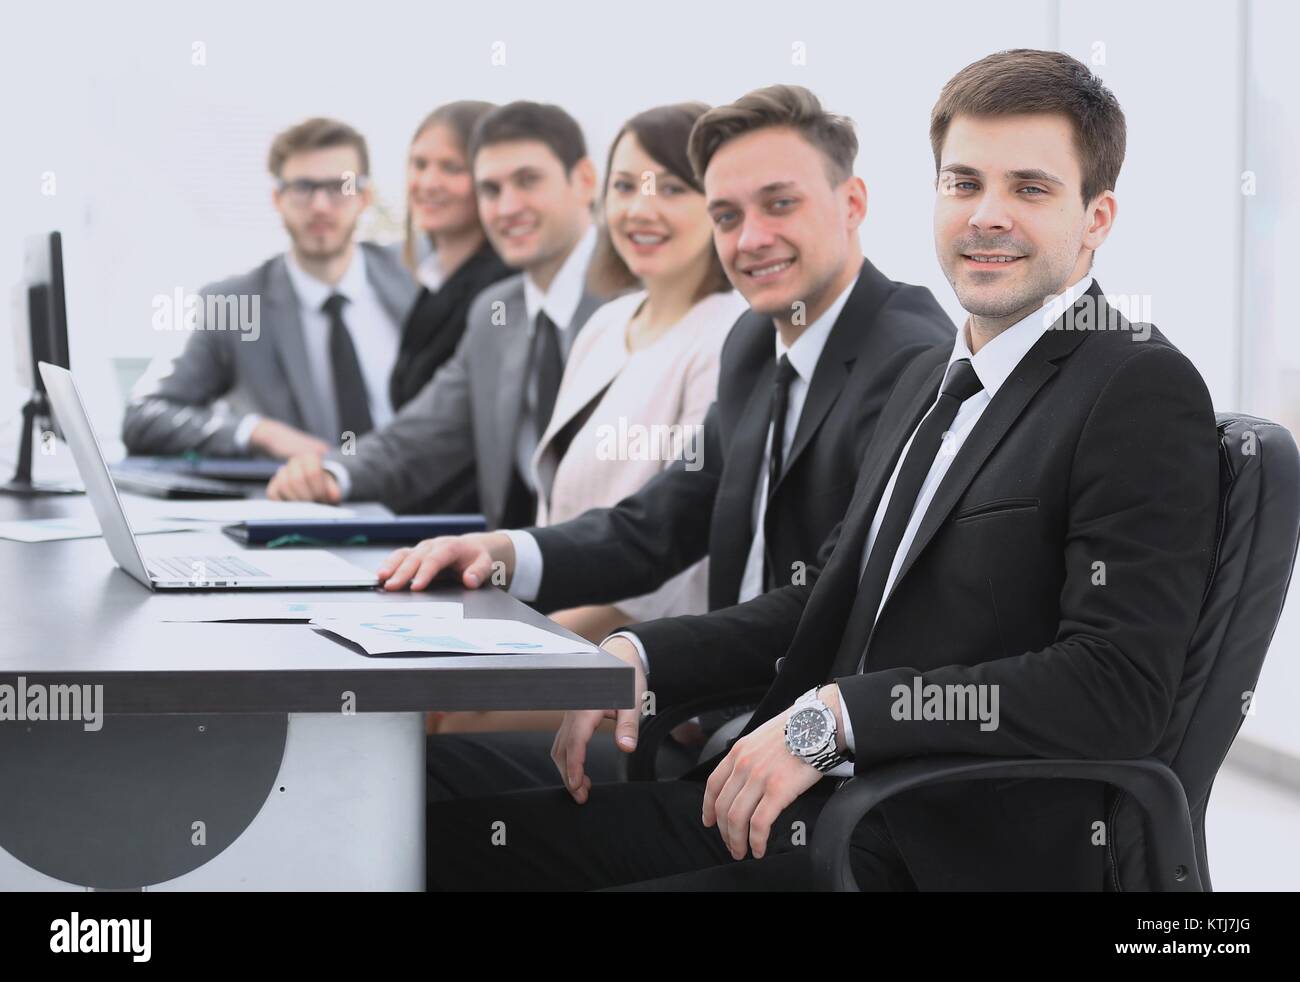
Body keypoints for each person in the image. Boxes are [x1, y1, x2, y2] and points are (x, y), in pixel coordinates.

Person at [422, 49, 1221, 891]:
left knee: (464, 858)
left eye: (1030, 188)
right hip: (812, 807)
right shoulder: (936, 378)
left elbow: (1116, 686)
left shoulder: (1134, 384)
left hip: (929, 844)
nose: (987, 216)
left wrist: (837, 719)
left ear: (1097, 217)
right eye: (962, 183)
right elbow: (825, 599)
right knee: (425, 822)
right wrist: (640, 657)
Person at [382, 86, 955, 796]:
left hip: (806, 775)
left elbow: (835, 598)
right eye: (727, 215)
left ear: (853, 203)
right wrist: (503, 553)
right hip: (703, 734)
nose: (749, 239)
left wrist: (640, 653)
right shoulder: (754, 343)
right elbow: (661, 523)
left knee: (426, 798)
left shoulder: (908, 357)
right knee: (403, 779)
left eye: (780, 204)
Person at [433, 103, 746, 738]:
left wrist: (524, 647)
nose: (640, 209)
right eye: (625, 186)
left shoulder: (730, 335)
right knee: (417, 703)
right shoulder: (605, 326)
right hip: (559, 632)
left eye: (672, 189)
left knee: (435, 720)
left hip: (647, 674)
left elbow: (677, 556)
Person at [267, 102, 611, 526]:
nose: (506, 208)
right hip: (518, 570)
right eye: (490, 189)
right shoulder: (497, 312)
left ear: (585, 181)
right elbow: (424, 432)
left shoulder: (633, 297)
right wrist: (331, 472)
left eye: (528, 181)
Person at [123, 117, 416, 459]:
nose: (320, 205)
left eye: (340, 187)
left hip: (419, 500)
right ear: (277, 198)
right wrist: (256, 432)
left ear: (365, 197)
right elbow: (143, 416)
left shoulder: (415, 277)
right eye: (303, 188)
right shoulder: (234, 304)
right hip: (303, 505)